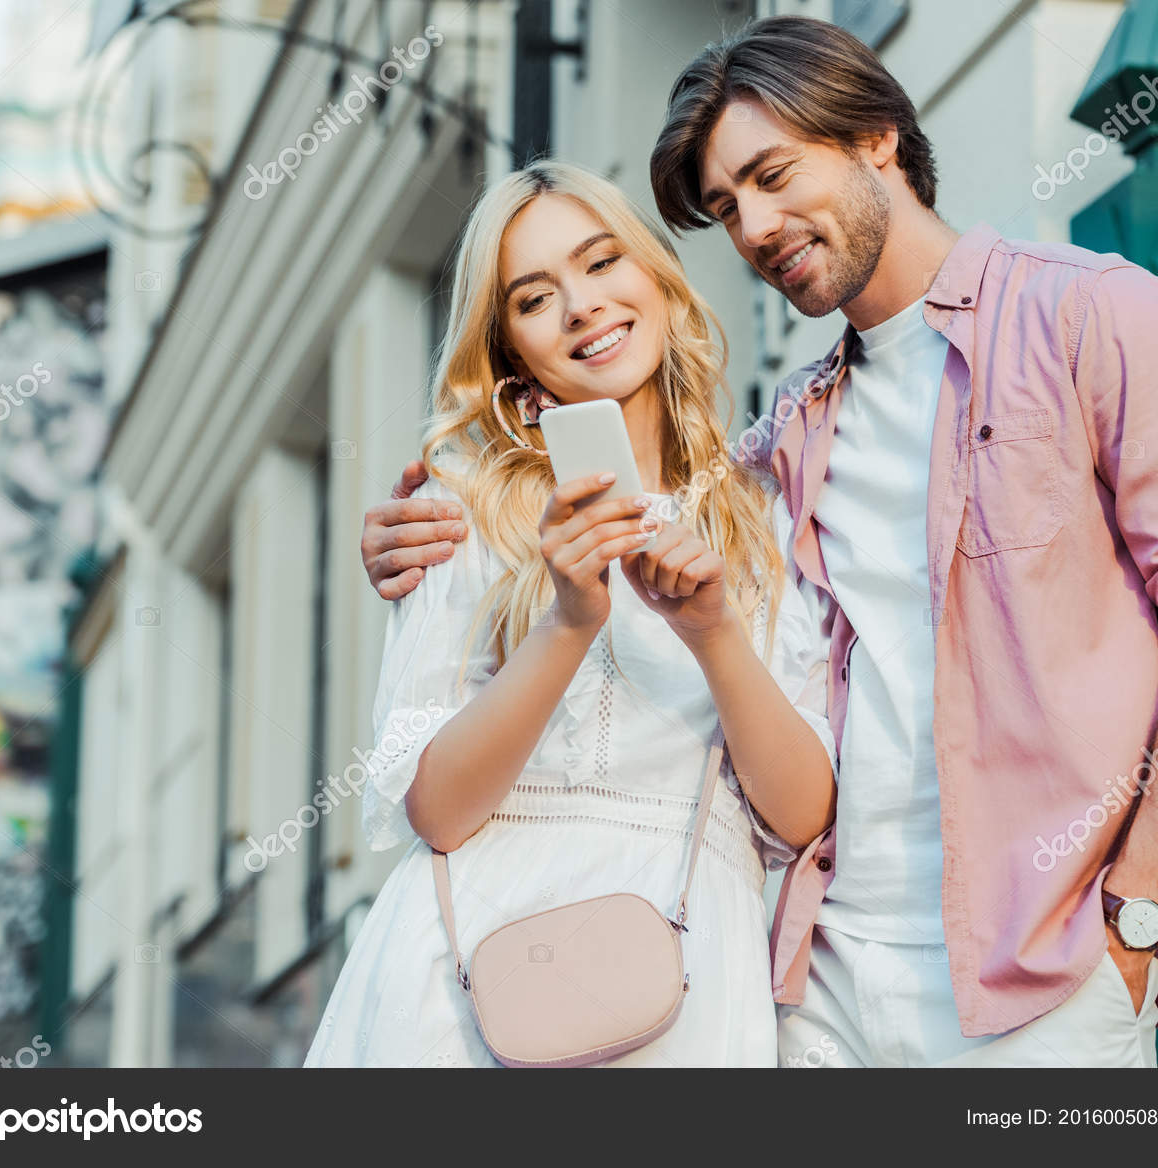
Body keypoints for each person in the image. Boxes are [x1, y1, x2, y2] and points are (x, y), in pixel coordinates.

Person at [361, 17, 1158, 1067]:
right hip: (815, 987)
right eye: (725, 208)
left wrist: (1135, 920)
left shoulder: (1099, 317)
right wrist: (430, 529)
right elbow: (654, 511)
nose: (757, 226)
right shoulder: (784, 439)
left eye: (772, 174)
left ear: (874, 139)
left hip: (1042, 978)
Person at [306, 160, 836, 1067]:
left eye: (602, 264)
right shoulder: (464, 502)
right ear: (509, 348)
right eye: (534, 298)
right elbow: (436, 810)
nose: (583, 306)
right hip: (462, 980)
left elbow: (800, 816)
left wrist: (711, 634)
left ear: (660, 280)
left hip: (685, 978)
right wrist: (567, 622)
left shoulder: (763, 514)